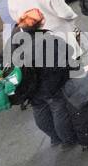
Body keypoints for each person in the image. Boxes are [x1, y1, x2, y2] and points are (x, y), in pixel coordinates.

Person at [9, 8, 77, 148]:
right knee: (58, 108)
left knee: (40, 110)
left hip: (29, 85)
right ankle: (67, 139)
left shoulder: (14, 37)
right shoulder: (47, 39)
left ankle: (54, 138)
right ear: (40, 24)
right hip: (50, 82)